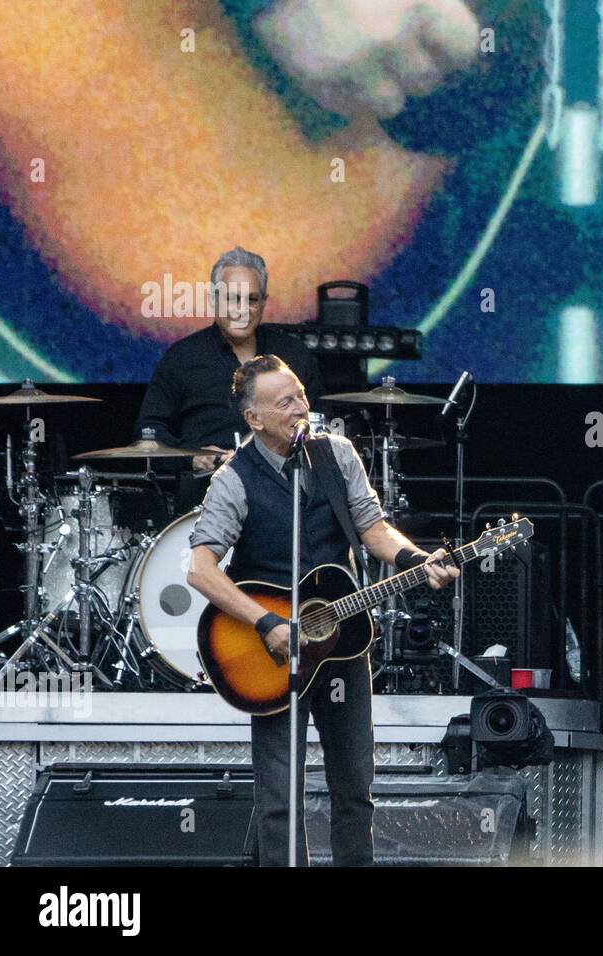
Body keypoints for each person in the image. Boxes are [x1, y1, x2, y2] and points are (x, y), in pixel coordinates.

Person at [185, 354, 458, 866]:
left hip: (342, 643)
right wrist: (265, 622)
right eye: (284, 401)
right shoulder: (233, 479)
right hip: (272, 655)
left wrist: (418, 559)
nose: (300, 407)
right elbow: (200, 569)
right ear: (254, 419)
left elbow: (373, 528)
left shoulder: (337, 454)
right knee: (279, 800)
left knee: (355, 788)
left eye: (301, 395)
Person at [135, 246, 324, 476]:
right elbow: (147, 433)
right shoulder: (182, 358)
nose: (241, 309)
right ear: (212, 299)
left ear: (264, 302)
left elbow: (322, 423)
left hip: (285, 489)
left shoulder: (293, 354)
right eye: (231, 298)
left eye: (252, 299)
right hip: (207, 493)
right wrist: (192, 457)